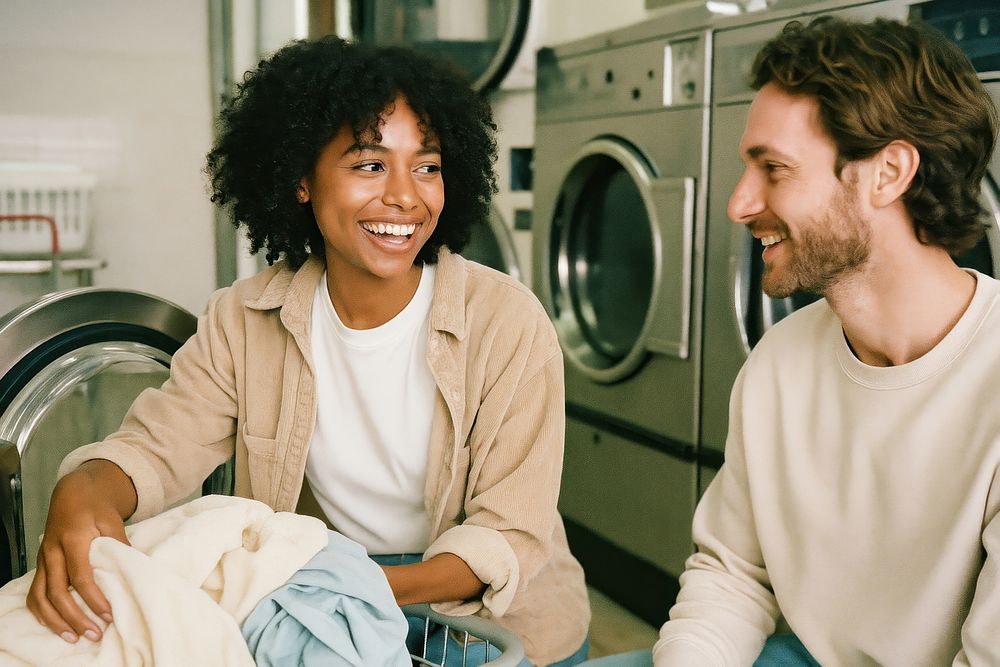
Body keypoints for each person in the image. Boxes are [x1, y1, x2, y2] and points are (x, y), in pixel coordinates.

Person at [27, 36, 590, 667]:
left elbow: (505, 535)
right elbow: (156, 450)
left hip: (489, 624)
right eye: (369, 165)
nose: (406, 196)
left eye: (426, 166)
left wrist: (333, 589)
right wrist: (82, 492)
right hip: (326, 600)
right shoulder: (244, 319)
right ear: (300, 179)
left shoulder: (506, 323)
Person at [654, 15, 999, 666]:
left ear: (888, 172)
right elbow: (731, 574)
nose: (738, 203)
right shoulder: (779, 365)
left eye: (774, 168)